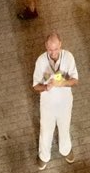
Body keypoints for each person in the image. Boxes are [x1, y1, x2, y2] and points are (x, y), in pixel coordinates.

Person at [33, 32, 79, 165]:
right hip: (47, 104)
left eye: (56, 49)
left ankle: (66, 150)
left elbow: (75, 80)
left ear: (61, 45)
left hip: (65, 102)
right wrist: (45, 87)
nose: (53, 53)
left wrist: (62, 83)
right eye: (50, 50)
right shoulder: (41, 61)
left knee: (64, 127)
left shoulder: (68, 57)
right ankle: (44, 156)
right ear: (46, 47)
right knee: (46, 131)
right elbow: (35, 86)